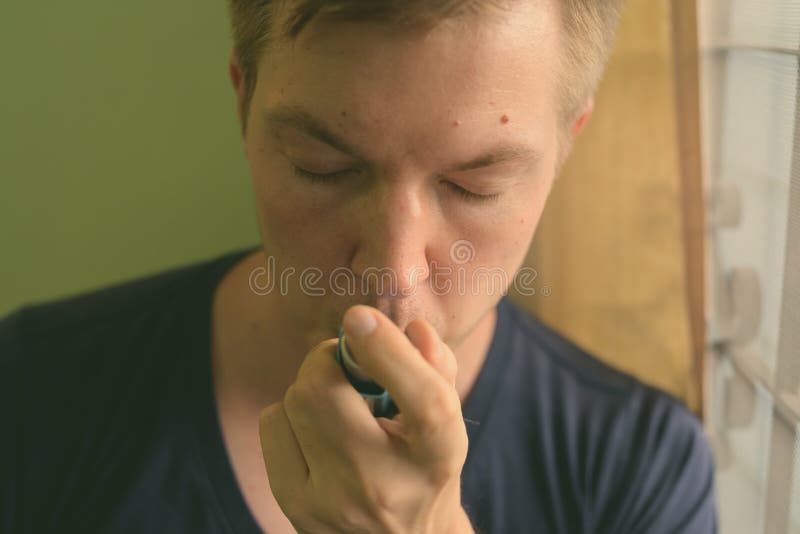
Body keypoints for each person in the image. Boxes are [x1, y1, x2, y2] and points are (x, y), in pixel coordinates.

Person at [0, 0, 717, 532]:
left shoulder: (639, 473)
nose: (393, 273)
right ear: (244, 104)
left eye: (474, 187)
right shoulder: (32, 391)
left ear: (567, 145)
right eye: (325, 168)